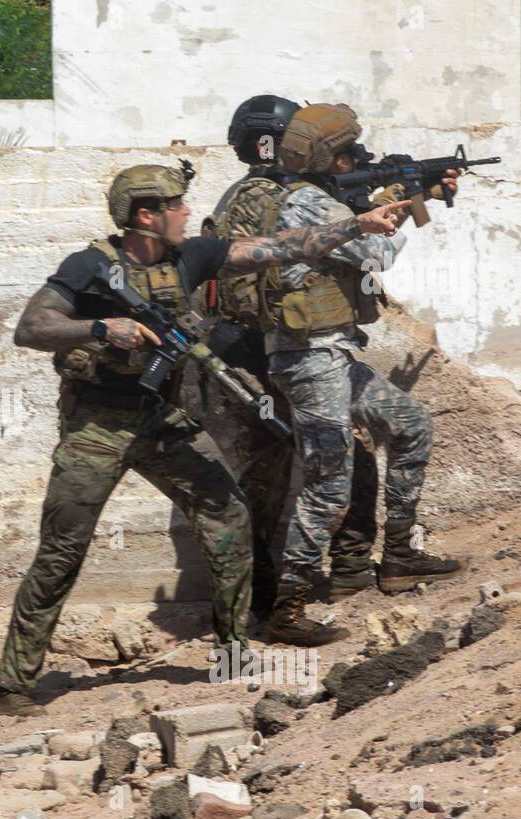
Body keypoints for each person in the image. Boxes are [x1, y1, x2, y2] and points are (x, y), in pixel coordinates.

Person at [0, 160, 410, 716]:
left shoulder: (193, 255)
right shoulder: (90, 266)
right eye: (176, 206)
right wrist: (98, 327)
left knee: (229, 515)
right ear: (147, 215)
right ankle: (14, 687)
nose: (188, 212)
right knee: (63, 549)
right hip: (96, 426)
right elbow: (30, 328)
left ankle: (232, 653)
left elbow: (281, 247)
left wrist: (359, 224)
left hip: (160, 419)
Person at [256, 103, 464, 644]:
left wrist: (414, 193)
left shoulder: (317, 195)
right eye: (347, 153)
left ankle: (398, 557)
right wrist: (406, 199)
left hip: (333, 355)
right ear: (329, 156)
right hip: (308, 360)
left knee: (412, 423)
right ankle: (289, 606)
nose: (353, 160)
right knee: (329, 486)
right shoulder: (305, 201)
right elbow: (376, 253)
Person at [201, 94, 382, 616]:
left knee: (270, 472)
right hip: (275, 348)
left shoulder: (236, 196)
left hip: (242, 347)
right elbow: (362, 255)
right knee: (319, 459)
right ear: (272, 141)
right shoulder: (287, 198)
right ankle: (340, 569)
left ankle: (264, 590)